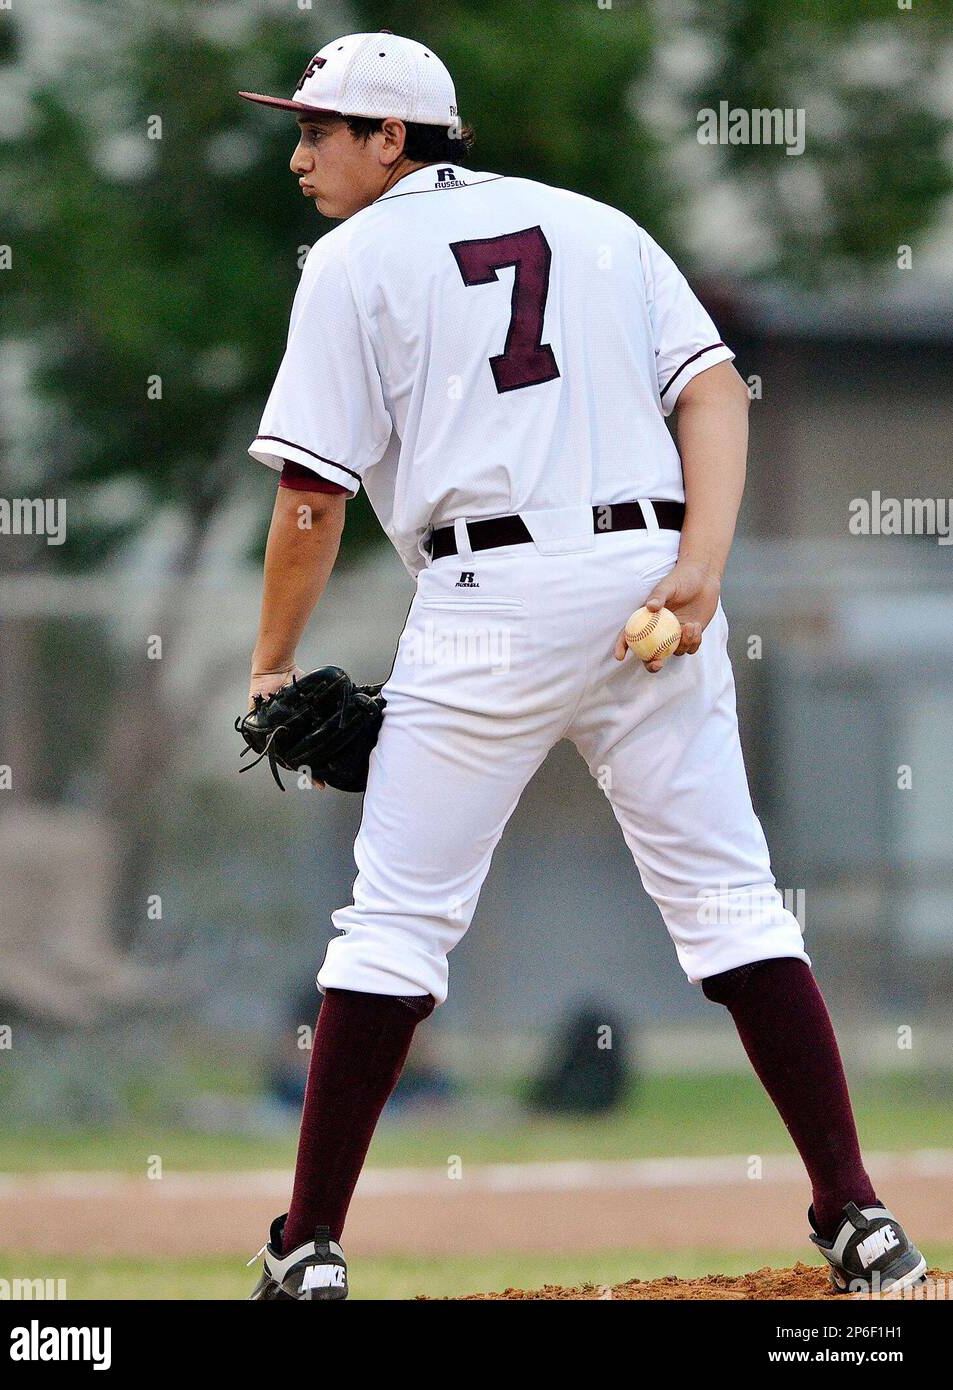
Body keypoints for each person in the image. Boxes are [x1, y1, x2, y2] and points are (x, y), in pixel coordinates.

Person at [239, 31, 925, 1301]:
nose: (300, 154)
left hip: (487, 598)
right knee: (733, 905)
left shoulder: (349, 261)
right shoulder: (600, 226)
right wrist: (702, 564)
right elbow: (715, 388)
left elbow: (307, 499)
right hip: (645, 583)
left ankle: (310, 1248)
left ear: (394, 138)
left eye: (321, 130)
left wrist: (272, 667)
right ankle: (861, 1216)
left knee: (394, 922)